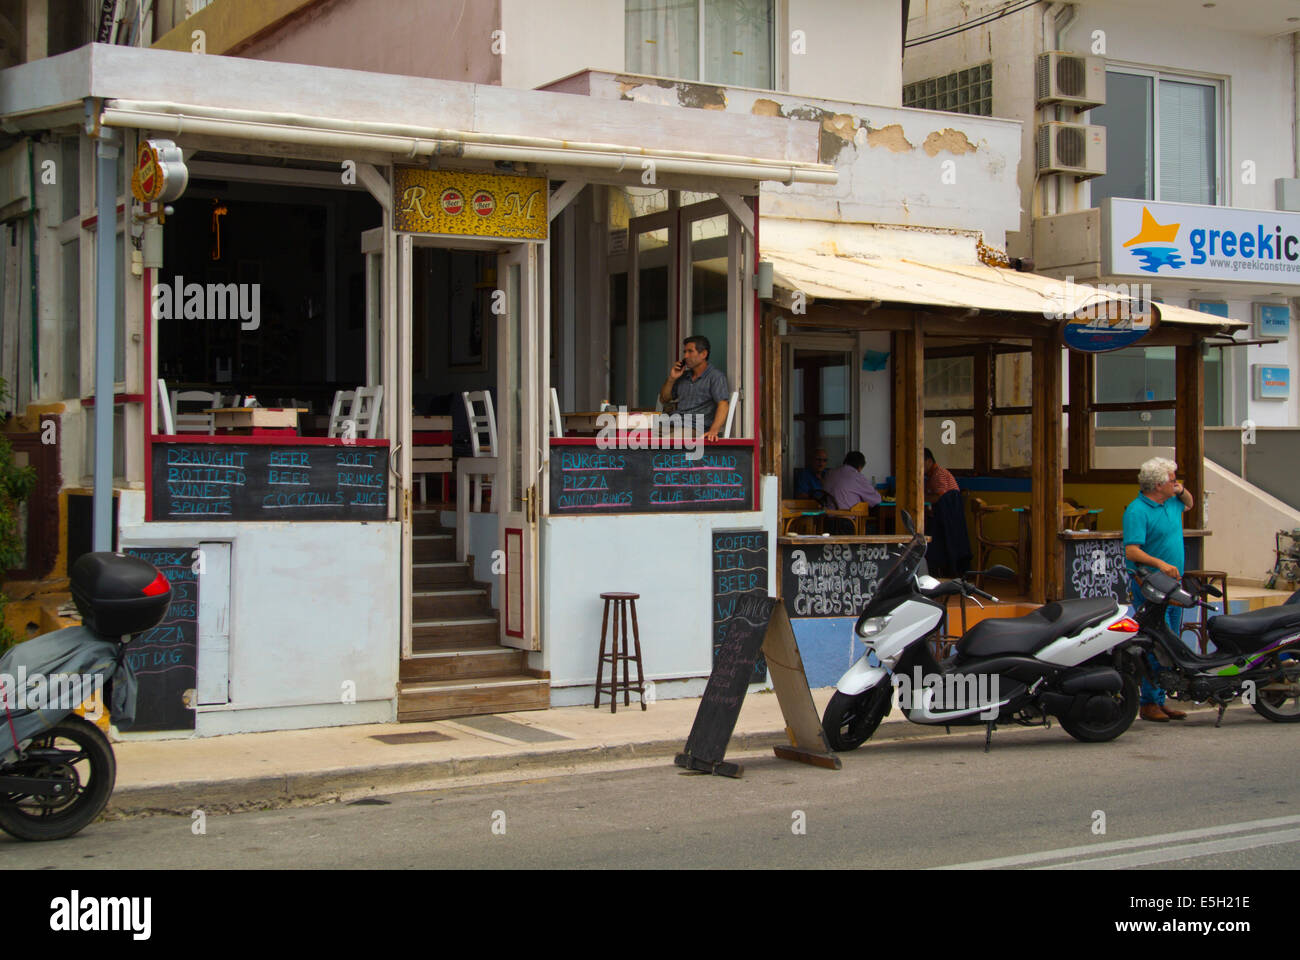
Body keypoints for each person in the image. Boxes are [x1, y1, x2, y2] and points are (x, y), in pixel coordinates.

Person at [1123, 456, 1193, 723]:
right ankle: (1149, 701)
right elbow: (1132, 550)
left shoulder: (1173, 502)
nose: (1176, 484)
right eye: (1172, 480)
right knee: (1156, 641)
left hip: (1175, 585)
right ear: (1157, 485)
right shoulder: (1137, 510)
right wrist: (1160, 564)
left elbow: (1190, 502)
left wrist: (1181, 490)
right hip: (1151, 585)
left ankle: (1160, 699)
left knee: (1172, 638)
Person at [660, 335, 730, 441]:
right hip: (673, 423)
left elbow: (723, 405)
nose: (686, 356)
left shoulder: (715, 377)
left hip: (695, 428)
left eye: (690, 351)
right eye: (685, 352)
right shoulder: (684, 376)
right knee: (637, 437)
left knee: (664, 443)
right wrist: (672, 378)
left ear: (703, 354)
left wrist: (714, 430)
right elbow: (664, 399)